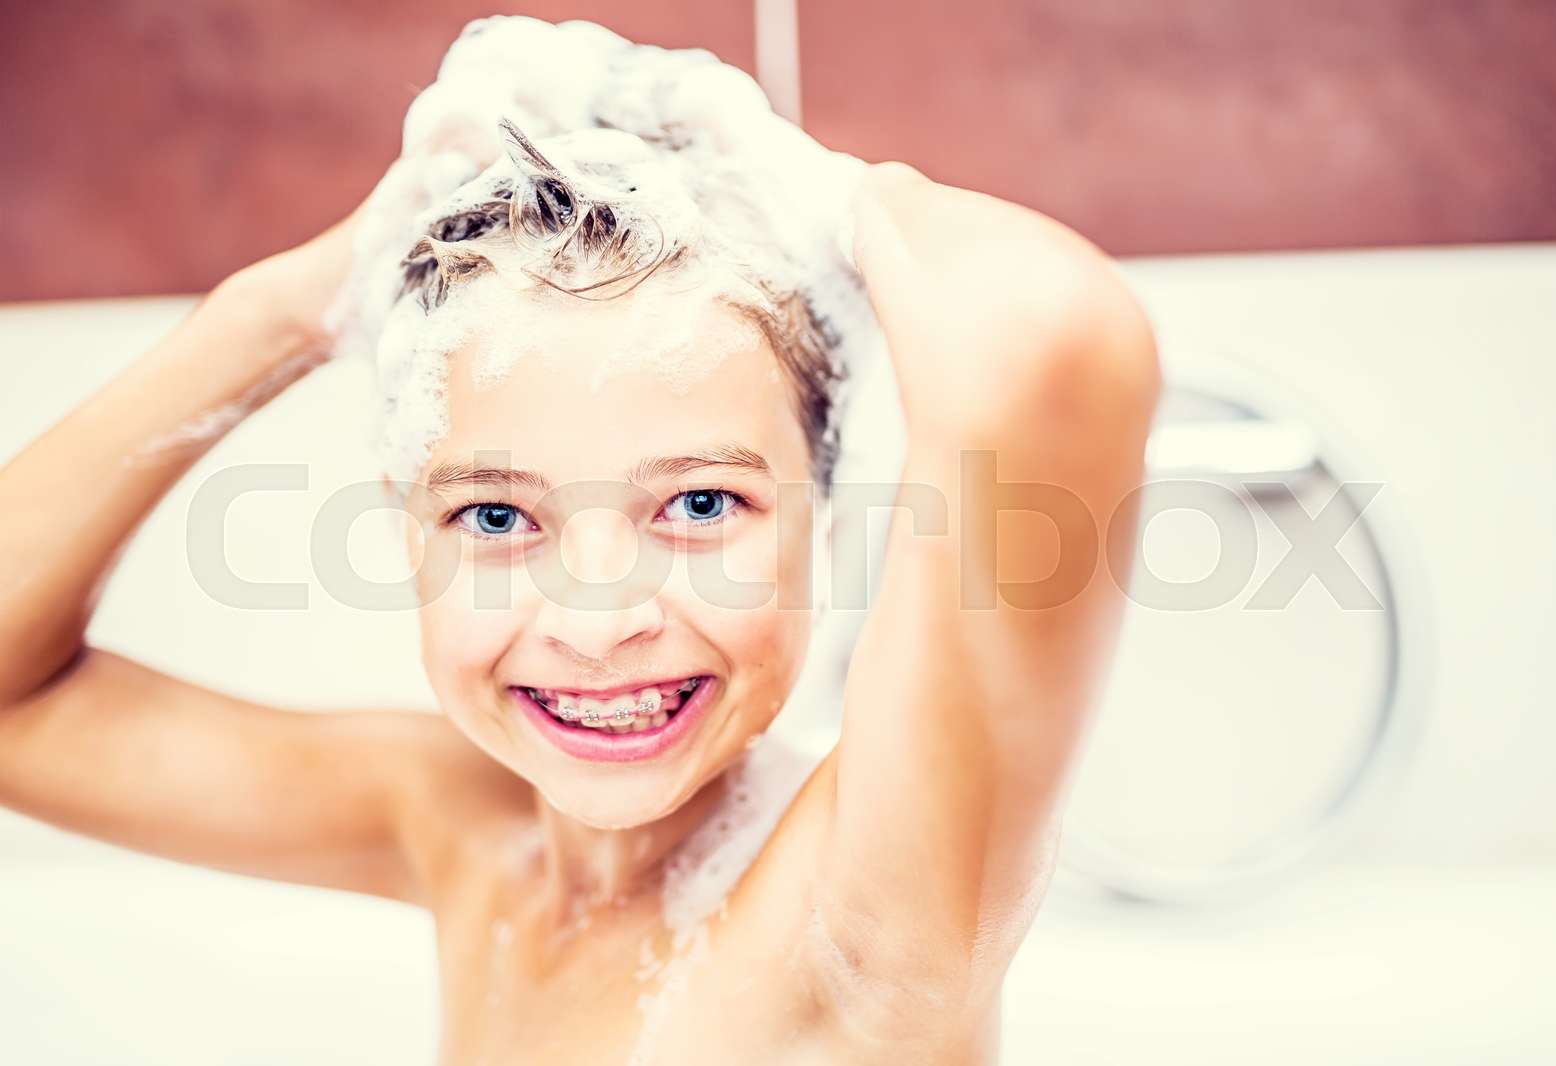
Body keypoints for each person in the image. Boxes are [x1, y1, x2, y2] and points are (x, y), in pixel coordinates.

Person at [0, 112, 1158, 1066]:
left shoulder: (868, 912)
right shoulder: (457, 824)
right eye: (497, 516)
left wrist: (839, 197)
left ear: (824, 532)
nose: (601, 624)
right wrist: (294, 305)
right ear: (409, 544)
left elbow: (1046, 339)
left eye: (701, 505)